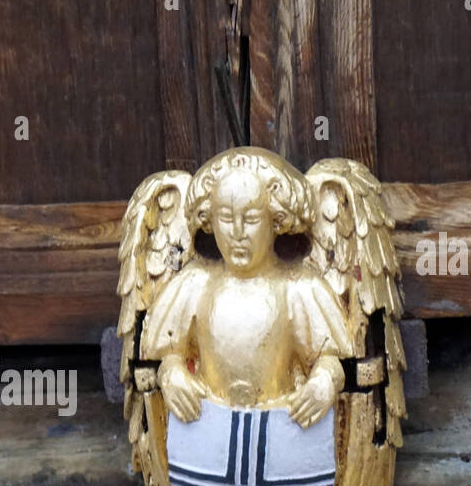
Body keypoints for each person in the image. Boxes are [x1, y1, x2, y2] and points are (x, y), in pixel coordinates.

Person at [141, 148, 353, 428]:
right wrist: (171, 374)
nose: (238, 232)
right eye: (226, 219)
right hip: (207, 429)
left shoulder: (299, 289)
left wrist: (325, 381)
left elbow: (331, 359)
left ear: (275, 221)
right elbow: (165, 356)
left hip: (283, 430)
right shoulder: (193, 286)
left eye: (251, 218)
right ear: (210, 220)